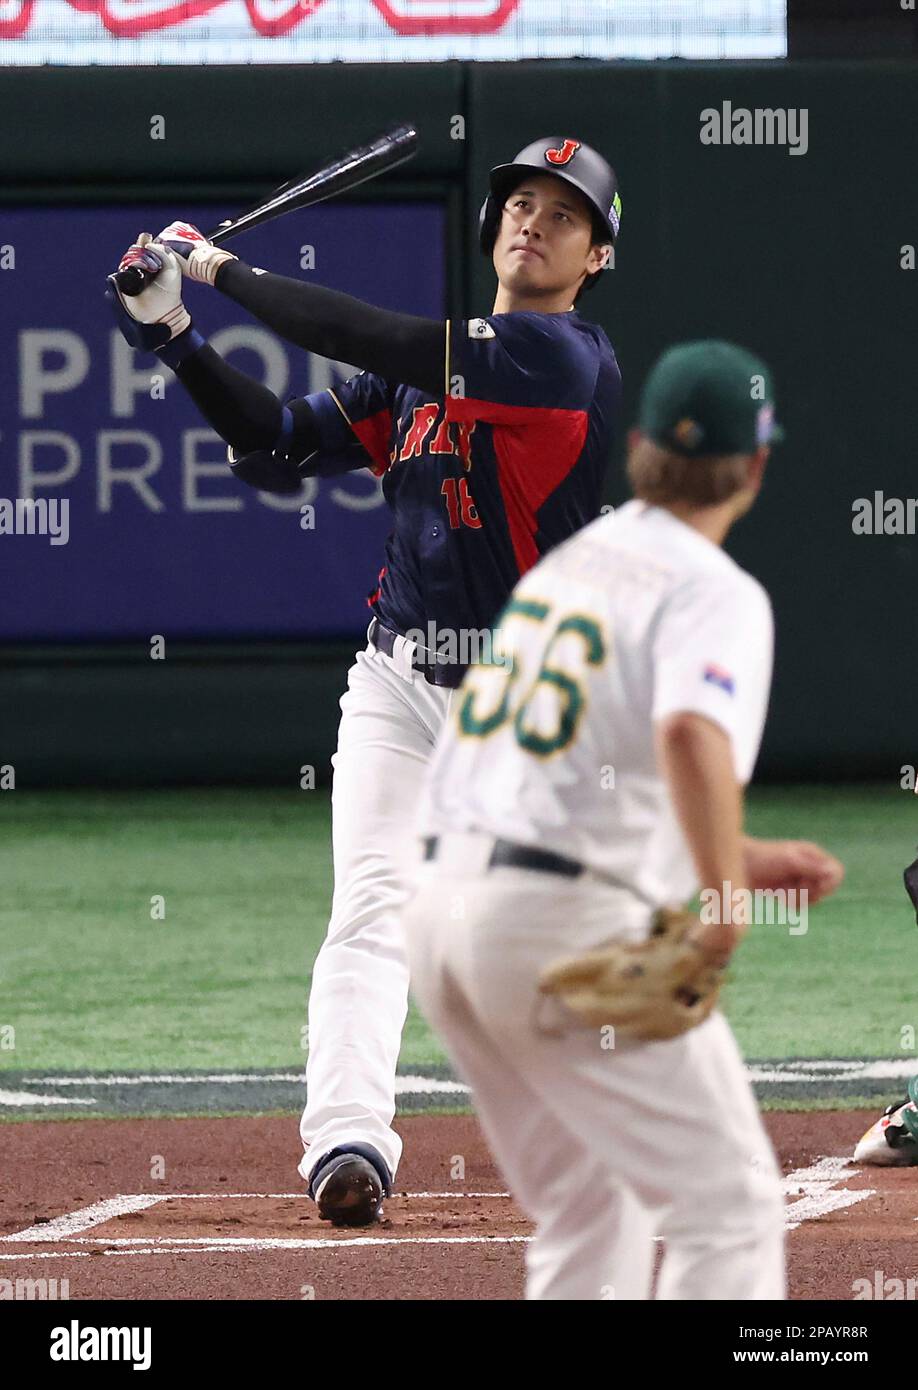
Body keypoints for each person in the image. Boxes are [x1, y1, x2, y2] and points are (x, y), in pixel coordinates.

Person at [107, 136, 624, 1226]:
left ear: (596, 257)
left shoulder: (562, 359)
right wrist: (175, 340)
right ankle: (349, 1142)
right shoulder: (418, 374)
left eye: (564, 216)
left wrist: (217, 271)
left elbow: (363, 330)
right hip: (401, 679)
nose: (533, 222)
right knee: (373, 912)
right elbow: (278, 444)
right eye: (521, 204)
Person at [403, 340, 845, 1299]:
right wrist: (727, 902)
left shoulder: (569, 568)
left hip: (440, 914)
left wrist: (739, 855)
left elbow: (545, 772)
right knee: (727, 1209)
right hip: (553, 925)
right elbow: (689, 731)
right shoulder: (711, 587)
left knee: (589, 1206)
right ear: (757, 465)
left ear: (640, 447)